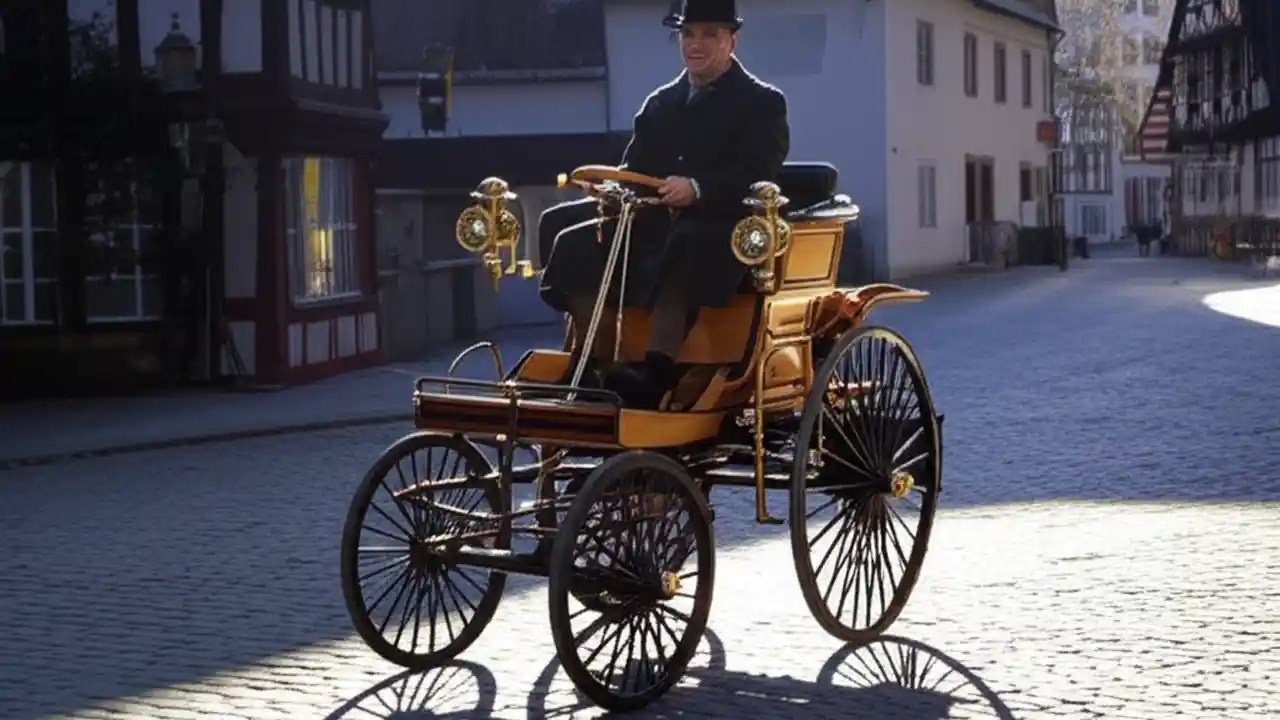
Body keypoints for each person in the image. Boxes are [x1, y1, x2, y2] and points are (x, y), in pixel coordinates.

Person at [537, 0, 790, 408]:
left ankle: (658, 369)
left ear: (732, 42)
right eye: (688, 34)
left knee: (686, 239)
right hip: (657, 218)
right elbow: (635, 168)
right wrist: (612, 191)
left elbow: (759, 171)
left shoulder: (761, 102)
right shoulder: (661, 103)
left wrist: (697, 188)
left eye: (710, 34)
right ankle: (592, 352)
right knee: (564, 231)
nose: (696, 44)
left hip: (726, 225)